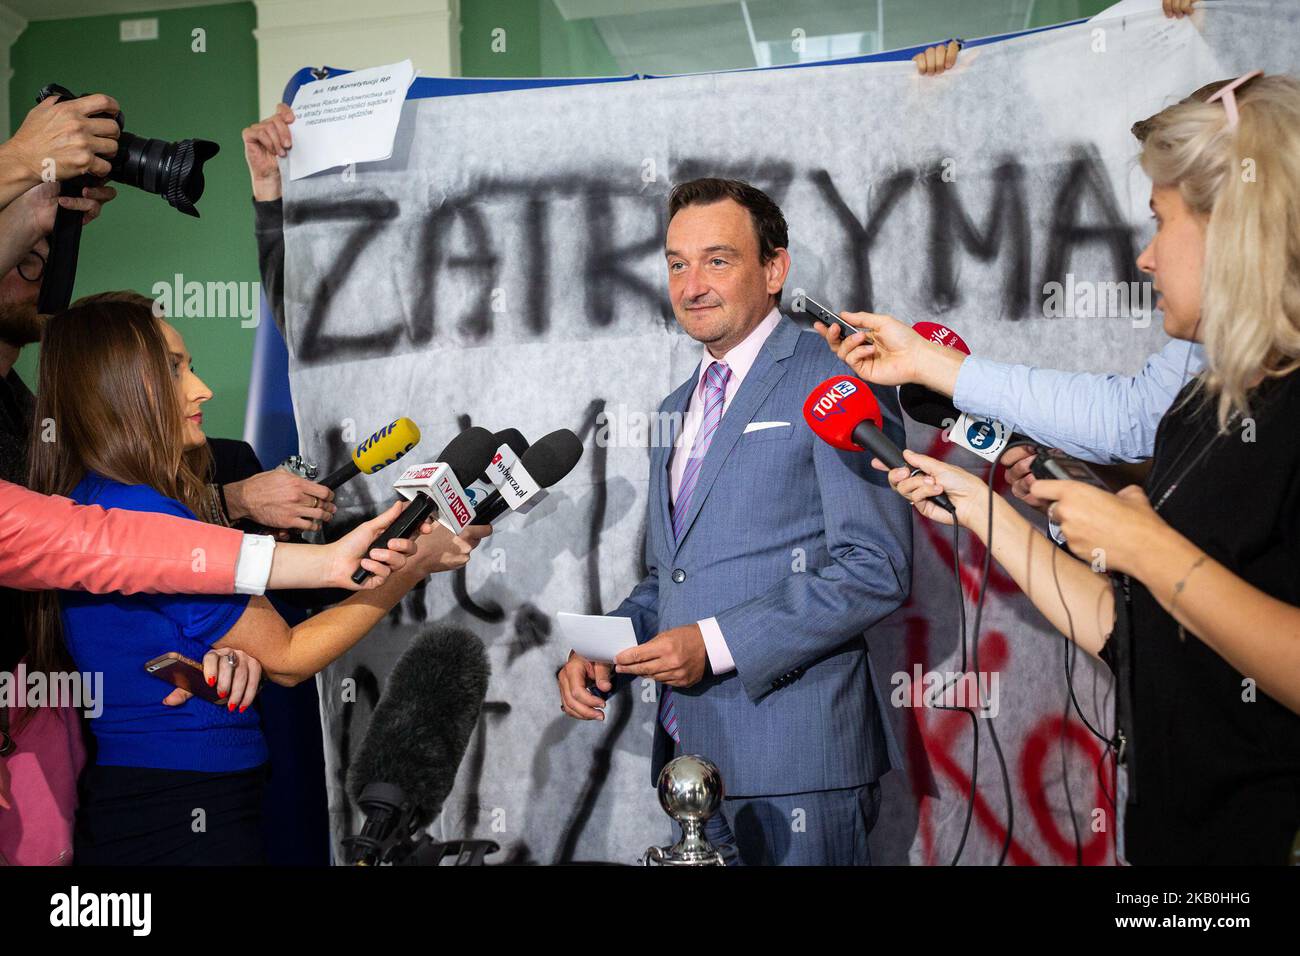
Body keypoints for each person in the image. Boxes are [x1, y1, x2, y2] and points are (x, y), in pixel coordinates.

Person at [859, 73, 1300, 864]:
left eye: (1161, 220)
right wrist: (981, 509)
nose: (1145, 256)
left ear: (1235, 229)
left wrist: (1146, 546)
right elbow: (1129, 632)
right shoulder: (1199, 408)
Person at [24, 297, 490, 864]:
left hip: (181, 793)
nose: (201, 390)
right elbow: (289, 657)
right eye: (173, 370)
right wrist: (410, 568)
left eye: (190, 366)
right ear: (115, 388)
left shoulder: (108, 499)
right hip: (176, 806)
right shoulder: (140, 511)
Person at [556, 178, 912, 866]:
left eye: (717, 261)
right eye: (677, 264)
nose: (692, 286)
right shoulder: (676, 406)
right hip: (689, 766)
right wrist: (608, 648)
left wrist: (715, 644)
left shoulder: (837, 378)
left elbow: (877, 566)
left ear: (774, 270)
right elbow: (672, 578)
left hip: (800, 764)